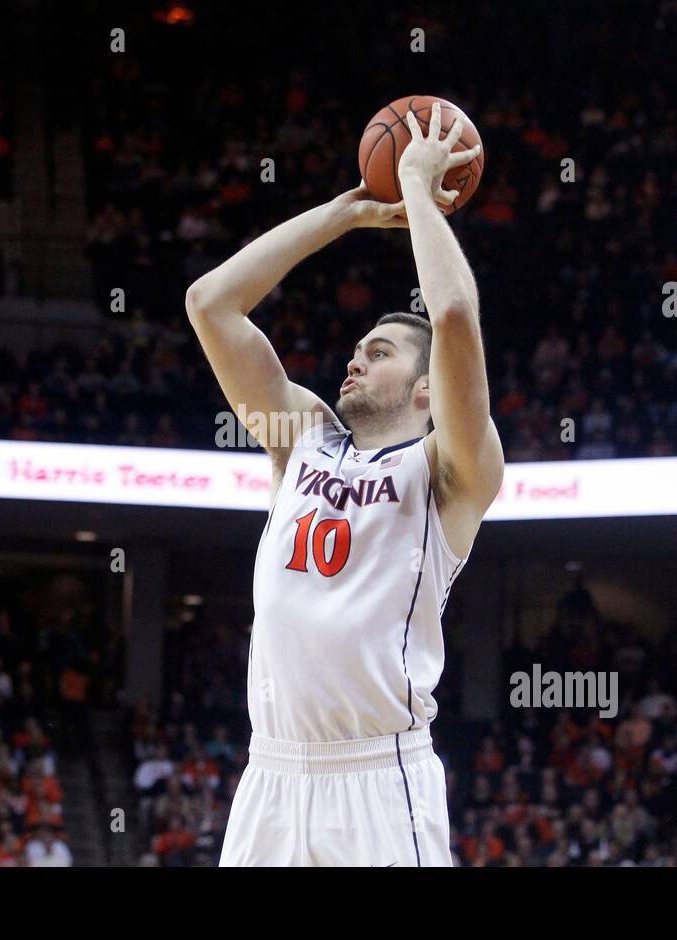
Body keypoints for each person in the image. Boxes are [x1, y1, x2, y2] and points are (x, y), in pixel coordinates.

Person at [186, 103, 504, 866]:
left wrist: (422, 195)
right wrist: (346, 212)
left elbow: (455, 313)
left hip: (378, 777)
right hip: (270, 775)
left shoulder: (450, 471)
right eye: (359, 347)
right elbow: (211, 304)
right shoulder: (303, 438)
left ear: (428, 389)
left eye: (383, 351)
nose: (356, 359)